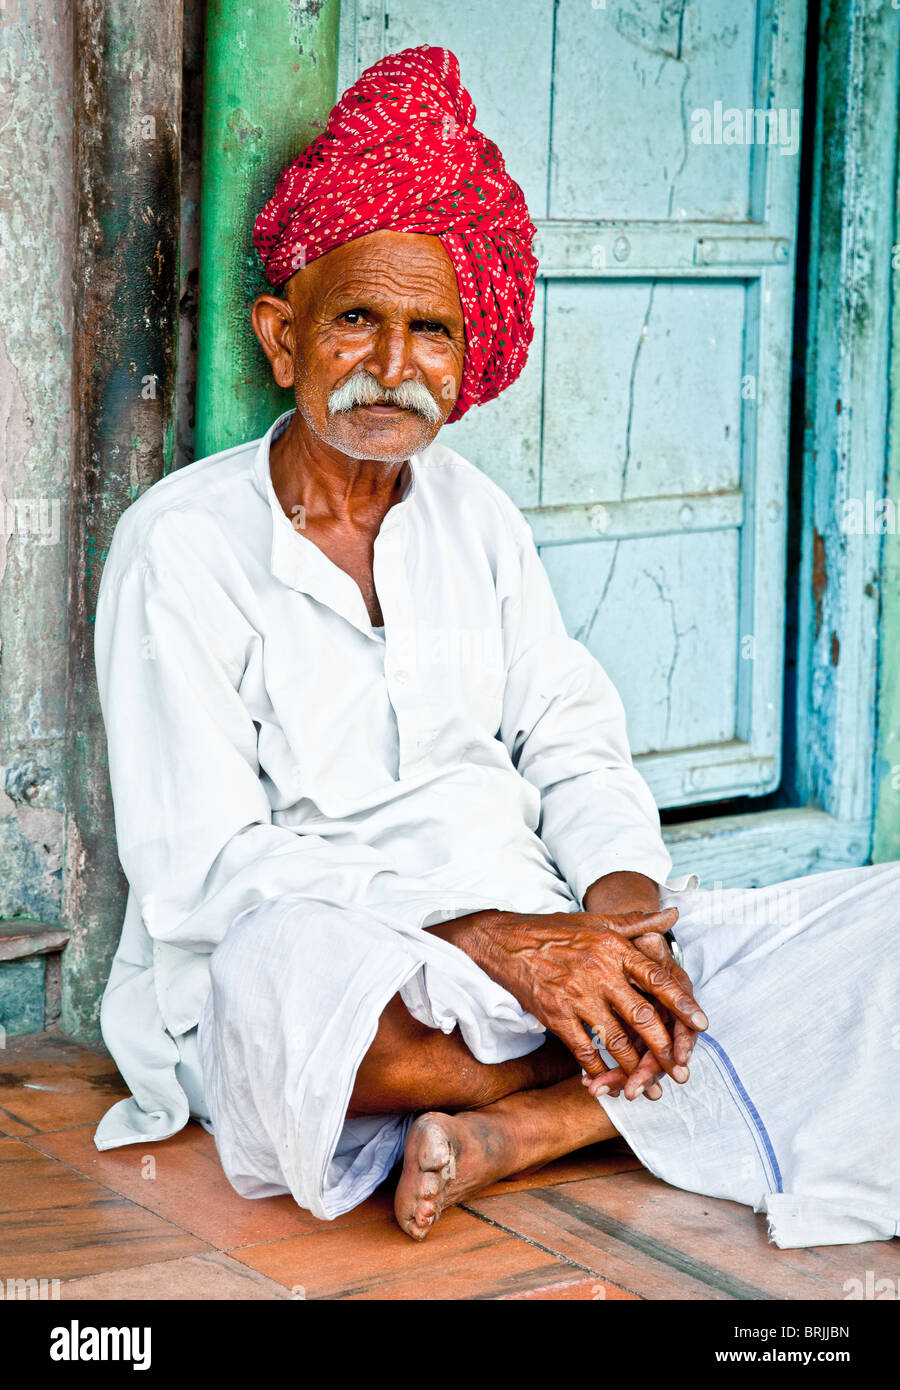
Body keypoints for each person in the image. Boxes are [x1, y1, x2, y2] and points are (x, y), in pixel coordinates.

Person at [93, 45, 899, 1249]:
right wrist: (496, 943)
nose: (391, 366)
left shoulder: (475, 517)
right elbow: (207, 873)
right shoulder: (179, 548)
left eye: (430, 331)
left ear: (468, 362)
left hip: (544, 948)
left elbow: (569, 730)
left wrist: (621, 913)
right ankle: (617, 1089)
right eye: (355, 318)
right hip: (368, 971)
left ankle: (528, 1120)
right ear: (281, 335)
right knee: (284, 990)